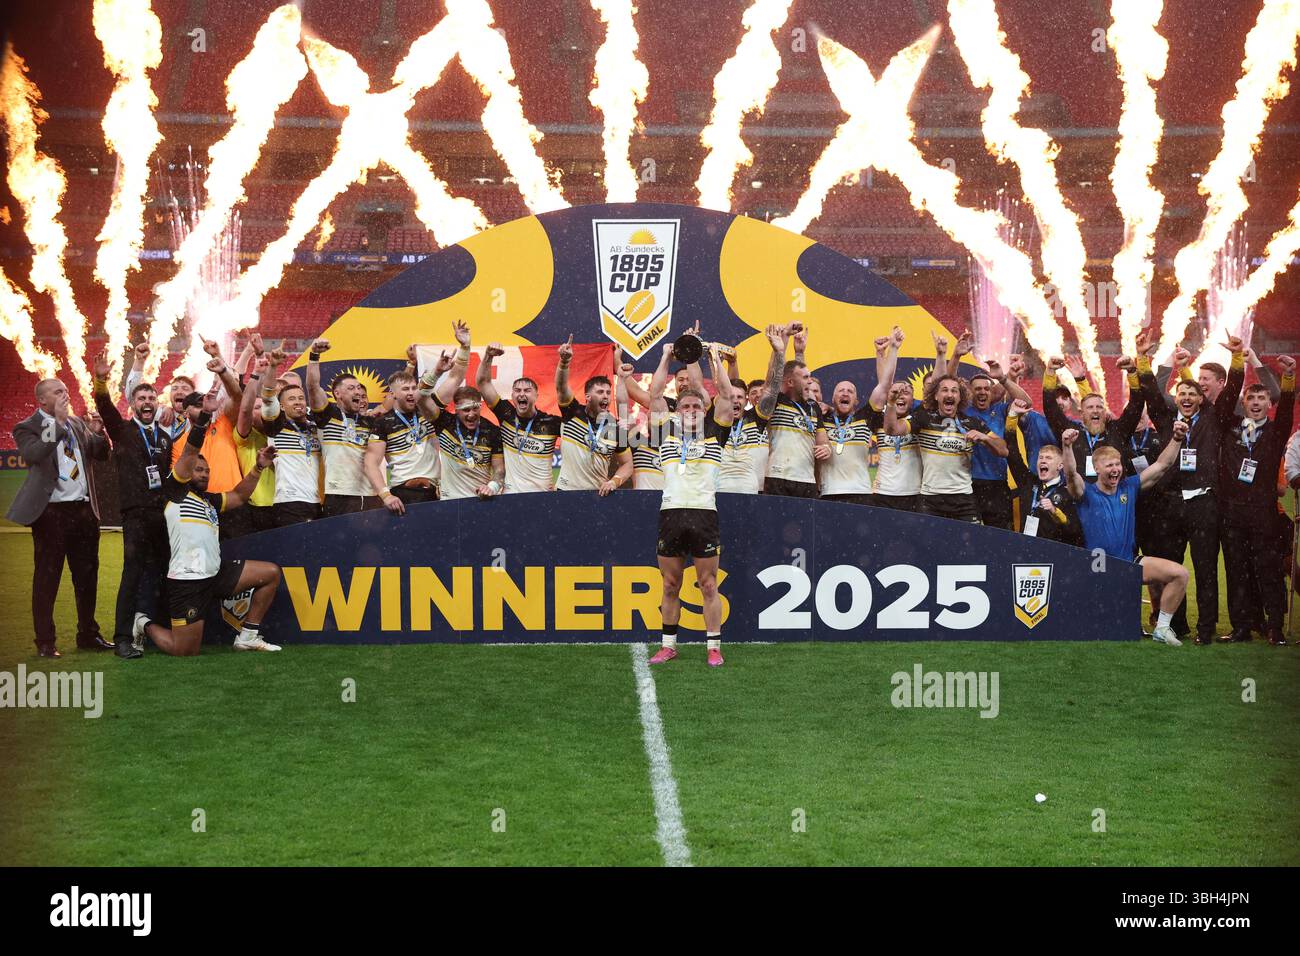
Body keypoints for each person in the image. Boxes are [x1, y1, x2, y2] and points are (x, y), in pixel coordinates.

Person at [132, 394, 282, 655]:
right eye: (198, 469)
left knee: (270, 573)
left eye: (207, 470)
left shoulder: (209, 500)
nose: (204, 473)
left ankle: (247, 636)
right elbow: (190, 451)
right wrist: (203, 419)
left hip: (215, 574)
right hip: (187, 581)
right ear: (186, 471)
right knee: (185, 650)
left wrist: (258, 468)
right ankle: (142, 623)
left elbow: (238, 496)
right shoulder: (175, 491)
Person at [1142, 335, 1245, 643]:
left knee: (1205, 569)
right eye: (1181, 392)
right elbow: (1149, 394)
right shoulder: (1165, 421)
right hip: (1170, 505)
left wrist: (1237, 358)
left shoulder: (1215, 418)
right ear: (1176, 398)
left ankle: (1205, 630)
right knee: (1173, 568)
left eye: (1192, 393)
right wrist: (1143, 361)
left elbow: (1233, 390)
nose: (1186, 396)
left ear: (1201, 399)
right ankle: (1177, 625)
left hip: (1203, 504)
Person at [8, 377, 112, 657]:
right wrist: (57, 423)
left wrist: (98, 433)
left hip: (83, 511)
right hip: (51, 514)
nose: (65, 395)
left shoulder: (77, 423)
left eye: (66, 391)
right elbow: (34, 454)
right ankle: (45, 642)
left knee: (87, 577)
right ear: (42, 399)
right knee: (47, 579)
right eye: (58, 392)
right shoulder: (26, 427)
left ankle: (88, 634)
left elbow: (101, 455)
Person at [1062, 422, 1191, 645]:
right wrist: (1066, 447)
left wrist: (1177, 439)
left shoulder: (1128, 487)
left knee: (1180, 574)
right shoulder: (1086, 493)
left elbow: (1163, 464)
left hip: (1128, 564)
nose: (1116, 469)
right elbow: (1071, 473)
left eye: (1118, 464)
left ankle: (1162, 628)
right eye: (1109, 465)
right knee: (1100, 629)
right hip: (1097, 567)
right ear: (1097, 469)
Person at [648, 347, 736, 668]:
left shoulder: (716, 434)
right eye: (684, 405)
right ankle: (668, 645)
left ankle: (713, 647)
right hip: (670, 514)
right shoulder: (665, 434)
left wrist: (713, 358)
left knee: (708, 585)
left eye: (696, 405)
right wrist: (665, 357)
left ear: (703, 409)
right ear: (678, 410)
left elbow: (726, 394)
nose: (690, 409)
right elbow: (655, 393)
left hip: (703, 514)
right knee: (670, 585)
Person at [92, 348, 174, 660]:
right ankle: (123, 637)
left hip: (163, 514)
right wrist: (101, 381)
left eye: (151, 398)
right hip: (137, 514)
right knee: (133, 574)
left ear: (157, 403)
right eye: (141, 399)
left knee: (166, 571)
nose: (147, 403)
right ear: (133, 404)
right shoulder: (123, 431)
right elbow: (104, 405)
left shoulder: (164, 437)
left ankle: (162, 627)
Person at [1216, 355, 1295, 645]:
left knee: (1269, 570)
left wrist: (1288, 378)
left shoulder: (1275, 432)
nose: (1257, 403)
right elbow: (1223, 403)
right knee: (1236, 572)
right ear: (1244, 403)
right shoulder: (1231, 427)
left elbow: (1287, 410)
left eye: (1262, 399)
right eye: (1252, 399)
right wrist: (1238, 362)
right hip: (1232, 514)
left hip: (1264, 515)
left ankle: (1274, 627)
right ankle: (1241, 627)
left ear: (1269, 404)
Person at [883, 373, 1007, 523]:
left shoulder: (971, 423)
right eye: (945, 390)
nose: (950, 394)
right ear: (936, 396)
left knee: (968, 546)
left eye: (954, 391)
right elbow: (892, 430)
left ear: (960, 397)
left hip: (964, 499)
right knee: (929, 546)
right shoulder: (923, 418)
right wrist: (890, 404)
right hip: (930, 500)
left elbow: (1003, 450)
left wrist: (985, 438)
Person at [366, 354, 453, 514]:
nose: (412, 393)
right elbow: (371, 463)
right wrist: (385, 496)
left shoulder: (429, 410)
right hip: (403, 495)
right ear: (393, 394)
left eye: (414, 388)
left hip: (435, 492)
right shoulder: (383, 422)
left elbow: (454, 381)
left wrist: (439, 371)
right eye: (405, 389)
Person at [304, 338, 381, 517]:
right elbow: (313, 386)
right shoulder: (328, 416)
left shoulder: (369, 422)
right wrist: (314, 356)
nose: (357, 392)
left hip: (371, 495)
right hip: (339, 495)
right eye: (351, 388)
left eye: (358, 389)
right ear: (337, 393)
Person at [478, 341, 563, 494]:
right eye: (517, 390)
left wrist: (622, 425)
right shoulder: (506, 415)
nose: (522, 394)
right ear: (512, 395)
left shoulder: (552, 423)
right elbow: (483, 383)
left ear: (537, 395)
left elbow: (577, 440)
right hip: (511, 498)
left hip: (543, 498)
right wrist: (488, 356)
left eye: (527, 390)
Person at [555, 334, 633, 493]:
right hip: (564, 493)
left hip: (597, 497)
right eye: (600, 392)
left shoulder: (615, 428)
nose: (605, 396)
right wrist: (564, 362)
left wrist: (614, 482)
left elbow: (627, 464)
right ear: (588, 397)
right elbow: (561, 387)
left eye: (608, 392)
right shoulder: (572, 412)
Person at [964, 354, 1034, 529]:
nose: (982, 392)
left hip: (997, 484)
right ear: (970, 392)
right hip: (968, 483)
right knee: (969, 535)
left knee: (998, 535)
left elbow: (1026, 403)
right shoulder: (963, 412)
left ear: (991, 392)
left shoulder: (1001, 410)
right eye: (977, 389)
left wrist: (1003, 379)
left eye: (986, 389)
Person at [762, 323, 829, 498]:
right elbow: (773, 380)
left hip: (807, 481)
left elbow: (823, 442)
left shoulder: (814, 408)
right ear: (790, 383)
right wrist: (779, 350)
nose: (810, 381)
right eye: (806, 378)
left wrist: (827, 449)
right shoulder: (777, 402)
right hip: (777, 477)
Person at [1004, 402, 1083, 546]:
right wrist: (1012, 416)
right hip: (1026, 551)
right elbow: (1011, 451)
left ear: (1060, 465)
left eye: (1048, 458)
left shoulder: (1068, 492)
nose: (1043, 461)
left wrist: (1055, 512)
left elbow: (1075, 531)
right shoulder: (1027, 482)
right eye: (1041, 457)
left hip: (1054, 554)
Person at [256, 378, 324, 527]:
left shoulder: (315, 427)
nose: (298, 402)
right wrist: (273, 365)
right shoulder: (276, 428)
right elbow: (267, 399)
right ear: (281, 406)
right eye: (291, 399)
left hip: (317, 502)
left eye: (301, 398)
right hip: (289, 503)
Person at [866, 329, 921, 511]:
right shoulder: (881, 419)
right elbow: (884, 387)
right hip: (882, 494)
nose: (900, 395)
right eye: (896, 393)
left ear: (913, 400)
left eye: (906, 392)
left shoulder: (919, 419)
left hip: (914, 494)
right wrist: (882, 353)